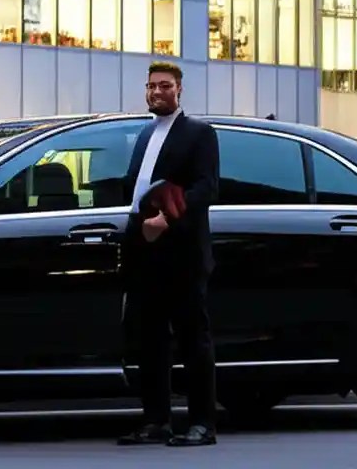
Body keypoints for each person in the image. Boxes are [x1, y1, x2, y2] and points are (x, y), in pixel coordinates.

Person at [117, 60, 221, 448]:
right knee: (149, 339)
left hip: (183, 251)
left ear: (179, 91)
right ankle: (156, 421)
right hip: (144, 251)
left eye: (164, 86)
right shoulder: (144, 134)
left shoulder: (199, 133)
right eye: (151, 86)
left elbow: (206, 188)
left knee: (193, 338)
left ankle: (202, 424)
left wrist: (166, 218)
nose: (156, 92)